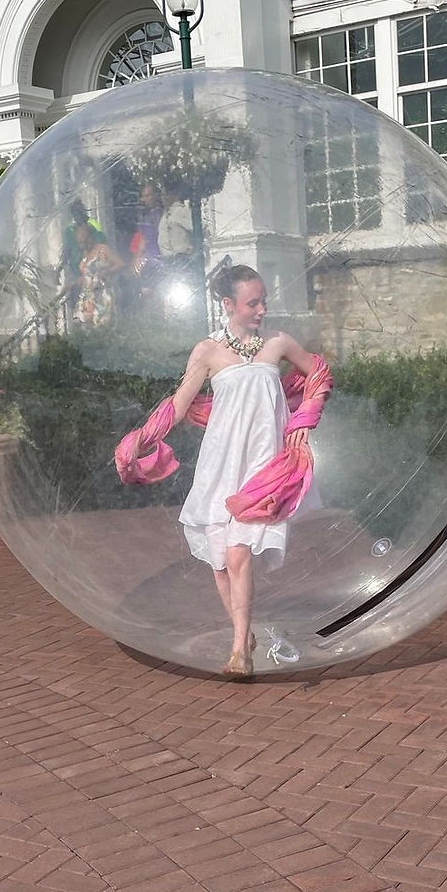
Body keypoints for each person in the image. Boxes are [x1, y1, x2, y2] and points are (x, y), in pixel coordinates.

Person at [169, 265, 320, 677]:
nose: (261, 309)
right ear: (228, 304)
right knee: (220, 563)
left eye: (263, 301)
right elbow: (179, 405)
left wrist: (305, 419)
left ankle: (239, 651)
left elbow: (318, 373)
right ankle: (244, 634)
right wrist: (143, 440)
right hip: (220, 465)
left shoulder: (278, 343)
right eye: (253, 302)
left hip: (262, 469)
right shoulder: (208, 351)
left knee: (238, 554)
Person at [72, 222, 123, 327]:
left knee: (101, 324)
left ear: (89, 236)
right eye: (78, 239)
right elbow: (87, 275)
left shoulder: (102, 249)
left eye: (82, 237)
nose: (80, 242)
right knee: (83, 325)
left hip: (101, 294)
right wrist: (74, 283)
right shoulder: (84, 254)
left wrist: (106, 272)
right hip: (87, 297)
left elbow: (120, 264)